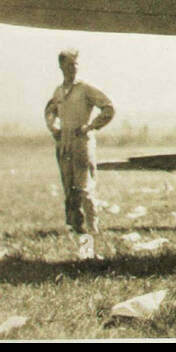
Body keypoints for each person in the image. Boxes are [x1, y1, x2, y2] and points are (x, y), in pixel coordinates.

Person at [43, 49, 115, 261]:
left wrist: (90, 126)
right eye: (68, 65)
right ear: (61, 67)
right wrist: (53, 128)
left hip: (82, 143)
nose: (72, 68)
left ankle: (93, 232)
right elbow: (50, 110)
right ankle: (76, 234)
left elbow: (108, 108)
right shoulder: (59, 91)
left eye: (75, 65)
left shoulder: (85, 89)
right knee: (69, 189)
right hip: (64, 145)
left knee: (85, 188)